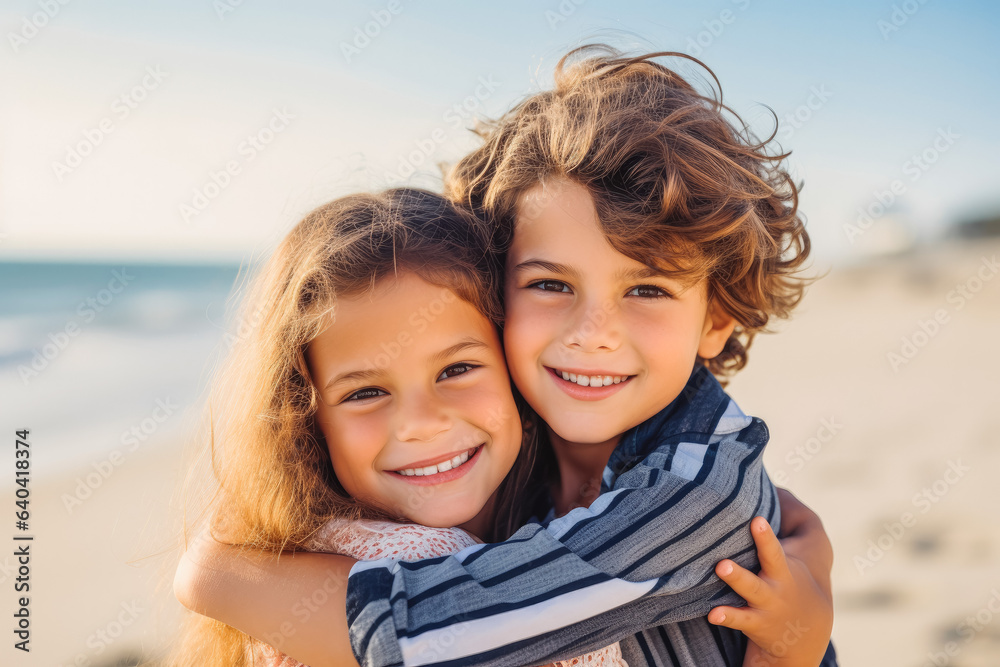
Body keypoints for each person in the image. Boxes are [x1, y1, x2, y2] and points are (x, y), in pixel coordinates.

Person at [175, 46, 838, 667]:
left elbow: (438, 632)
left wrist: (212, 572)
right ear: (495, 294)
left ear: (715, 317)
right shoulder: (522, 425)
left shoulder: (697, 491)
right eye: (551, 284)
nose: (592, 333)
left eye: (647, 288)